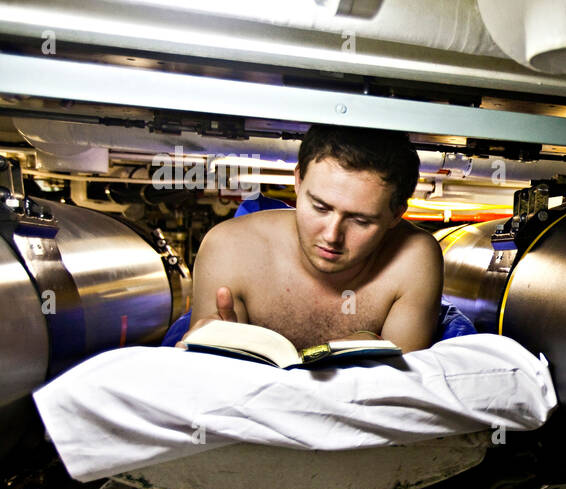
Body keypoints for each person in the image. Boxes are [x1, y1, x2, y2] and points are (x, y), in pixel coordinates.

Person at [178, 125, 444, 352]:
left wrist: (373, 352)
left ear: (396, 215)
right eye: (319, 207)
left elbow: (400, 399)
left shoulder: (414, 259)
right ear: (298, 181)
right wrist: (204, 359)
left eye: (360, 220)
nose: (331, 236)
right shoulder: (230, 247)